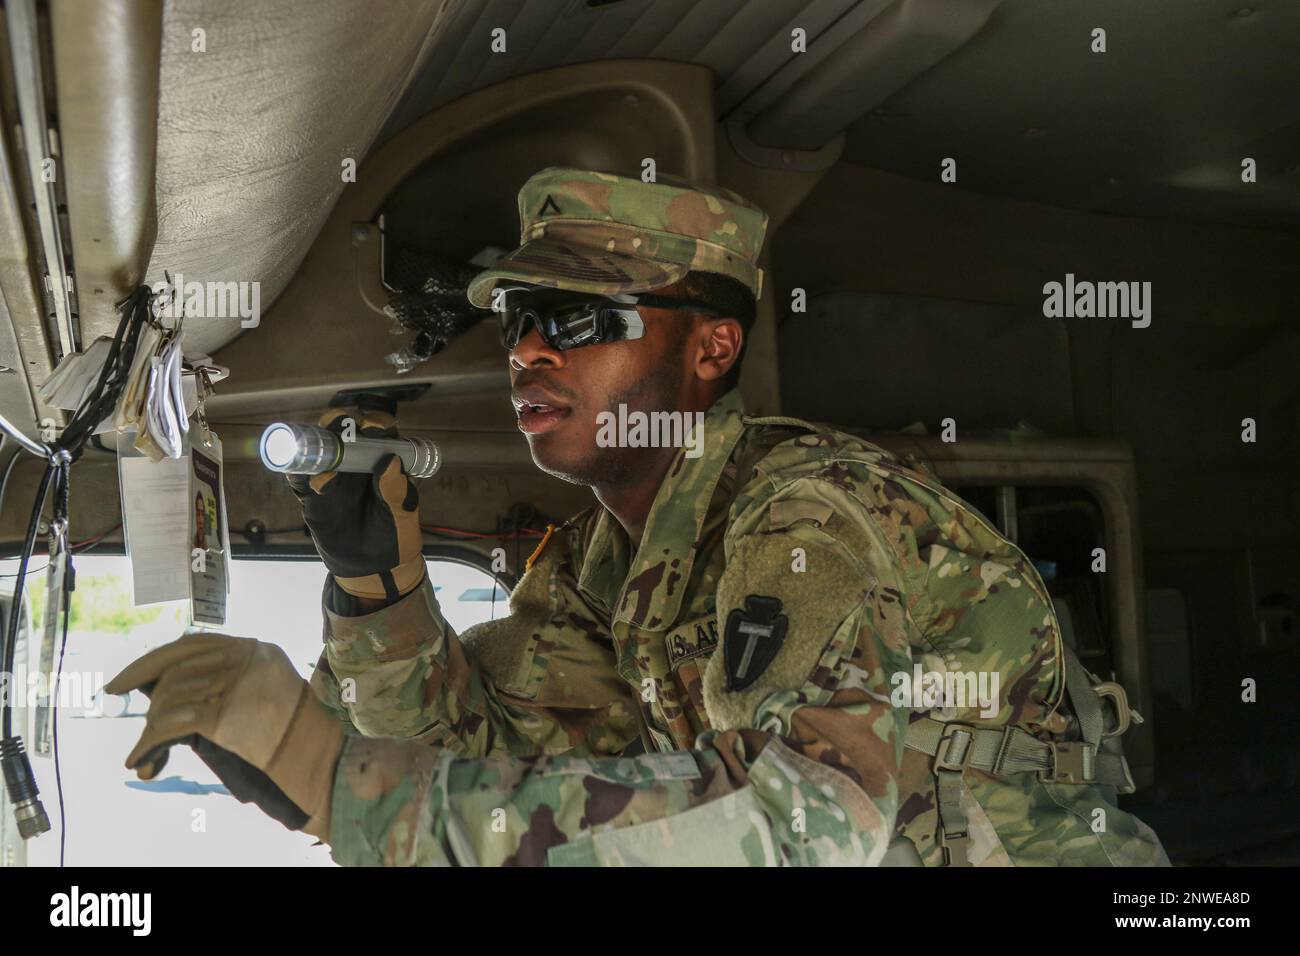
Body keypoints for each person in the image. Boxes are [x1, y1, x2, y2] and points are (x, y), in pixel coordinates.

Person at [108, 167, 1168, 866]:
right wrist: (375, 591)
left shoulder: (799, 518)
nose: (527, 350)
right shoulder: (601, 564)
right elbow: (480, 749)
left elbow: (808, 825)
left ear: (709, 349)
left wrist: (338, 783)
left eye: (574, 318)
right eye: (521, 324)